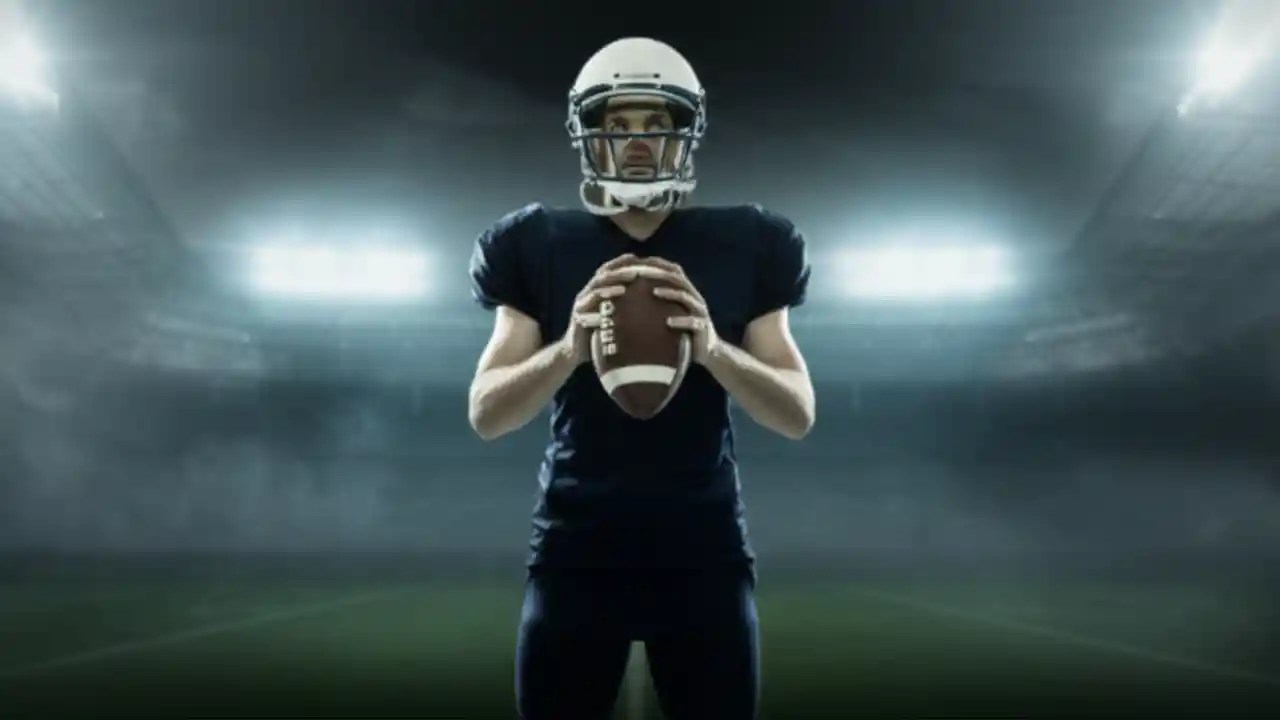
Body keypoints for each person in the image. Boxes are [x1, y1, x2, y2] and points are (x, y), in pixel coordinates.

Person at [467, 36, 815, 720]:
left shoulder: (751, 241)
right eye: (617, 123)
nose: (636, 142)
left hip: (704, 553)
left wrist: (713, 349)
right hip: (575, 550)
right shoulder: (533, 243)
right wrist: (569, 349)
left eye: (655, 122)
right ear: (587, 132)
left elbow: (796, 412)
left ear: (686, 132)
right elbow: (487, 412)